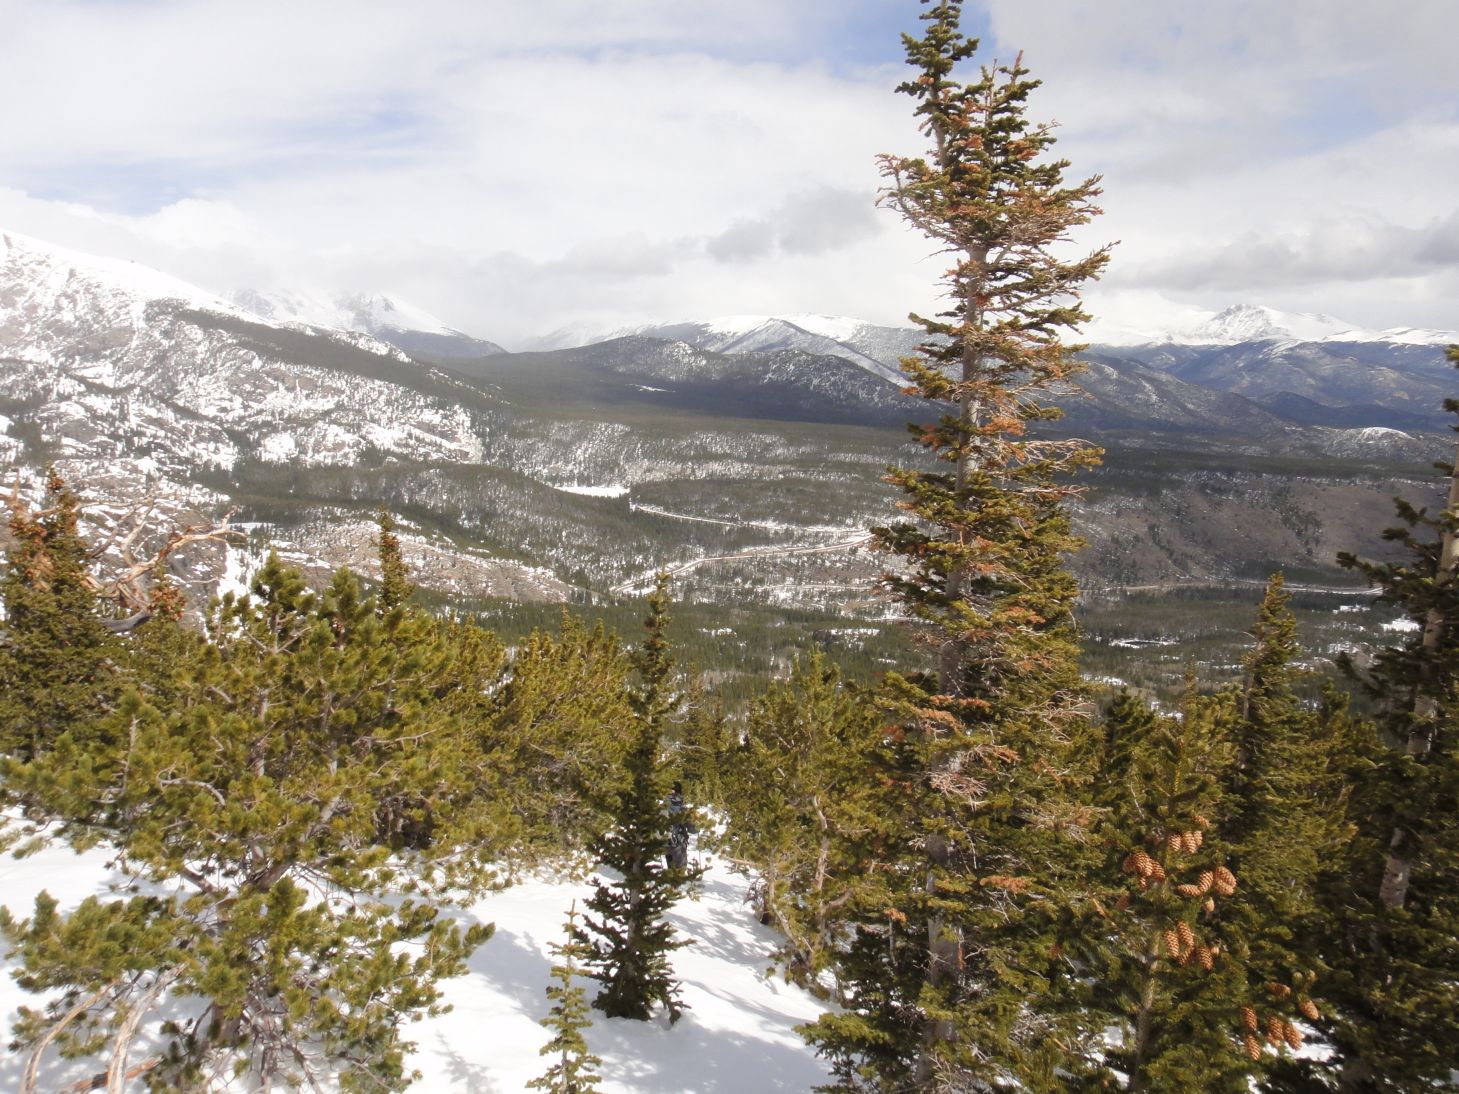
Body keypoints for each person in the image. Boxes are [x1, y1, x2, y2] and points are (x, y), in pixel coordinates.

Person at [665, 781, 694, 870]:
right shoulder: (682, 808)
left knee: (670, 870)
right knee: (680, 873)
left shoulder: (662, 806)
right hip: (678, 844)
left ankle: (670, 882)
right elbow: (693, 829)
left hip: (665, 843)